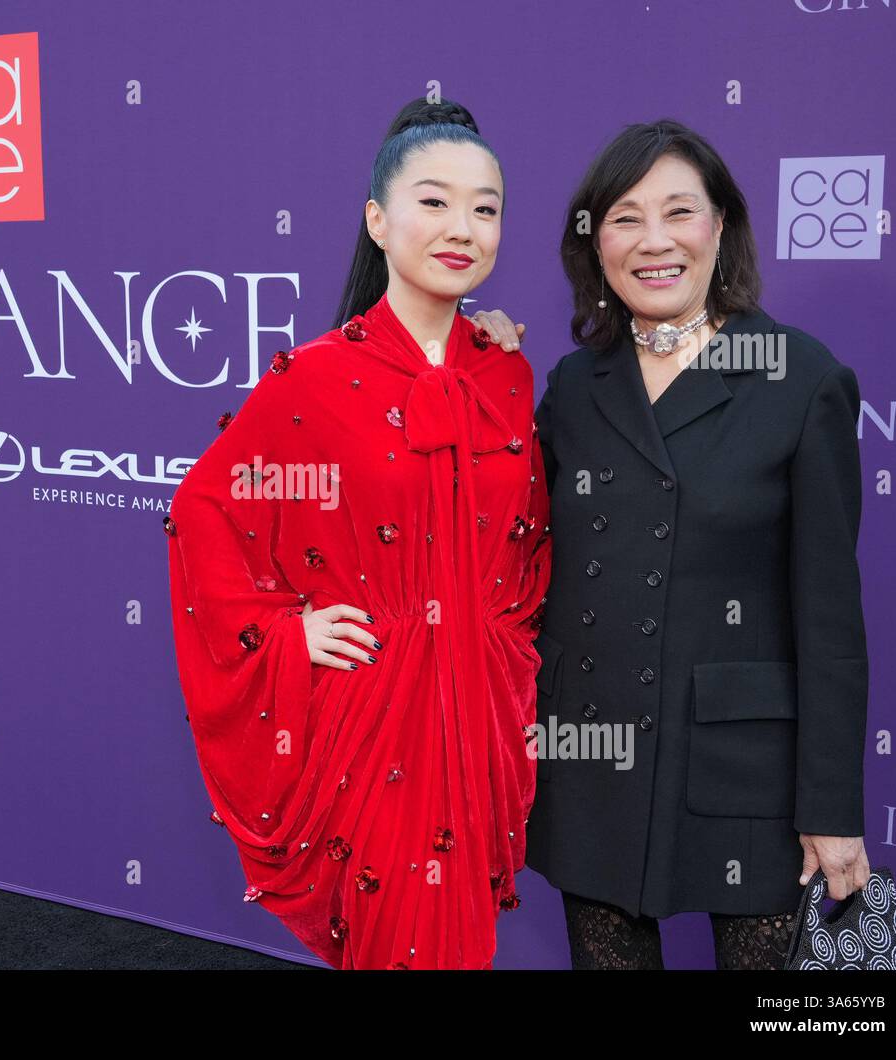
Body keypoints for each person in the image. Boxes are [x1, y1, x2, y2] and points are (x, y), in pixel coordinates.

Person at [165, 99, 549, 969]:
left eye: (485, 208)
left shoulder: (509, 373)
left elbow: (525, 539)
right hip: (375, 720)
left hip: (482, 713)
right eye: (434, 201)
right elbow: (206, 510)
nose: (463, 227)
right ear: (377, 220)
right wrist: (285, 631)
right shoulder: (317, 378)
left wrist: (508, 652)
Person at [522, 118, 871, 970]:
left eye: (680, 212)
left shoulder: (800, 376)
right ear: (593, 240)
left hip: (742, 770)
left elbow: (829, 619)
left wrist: (831, 807)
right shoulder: (572, 383)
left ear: (722, 225)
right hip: (593, 751)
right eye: (625, 218)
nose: (654, 242)